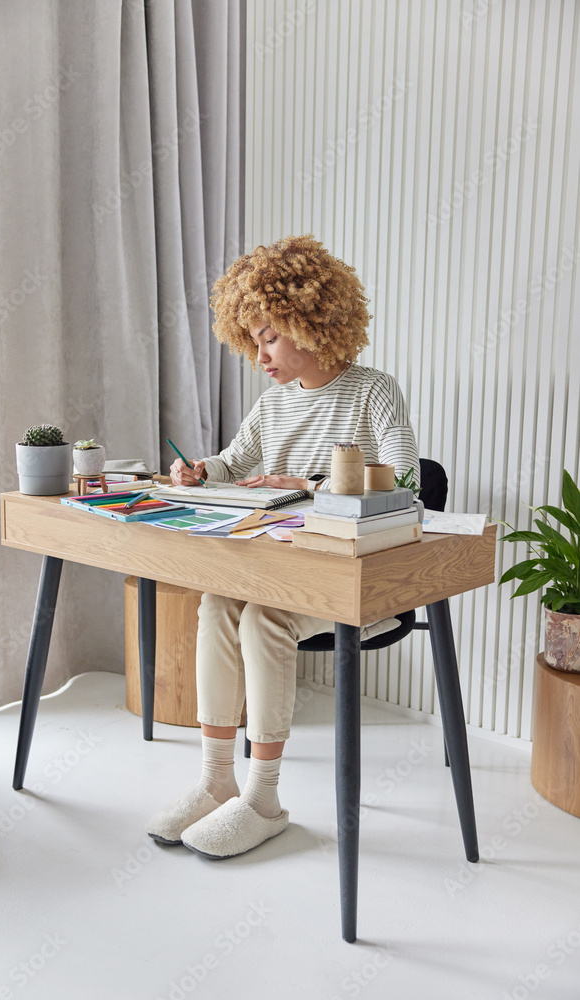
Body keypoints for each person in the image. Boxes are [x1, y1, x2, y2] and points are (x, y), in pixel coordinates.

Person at [146, 235, 420, 859]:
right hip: (281, 569)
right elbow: (234, 462)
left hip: (358, 583)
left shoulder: (374, 392)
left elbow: (405, 483)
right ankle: (218, 781)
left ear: (310, 320)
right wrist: (201, 473)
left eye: (270, 335)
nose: (259, 353)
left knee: (265, 615)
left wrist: (307, 483)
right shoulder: (272, 407)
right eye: (253, 339)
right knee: (217, 601)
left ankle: (263, 798)